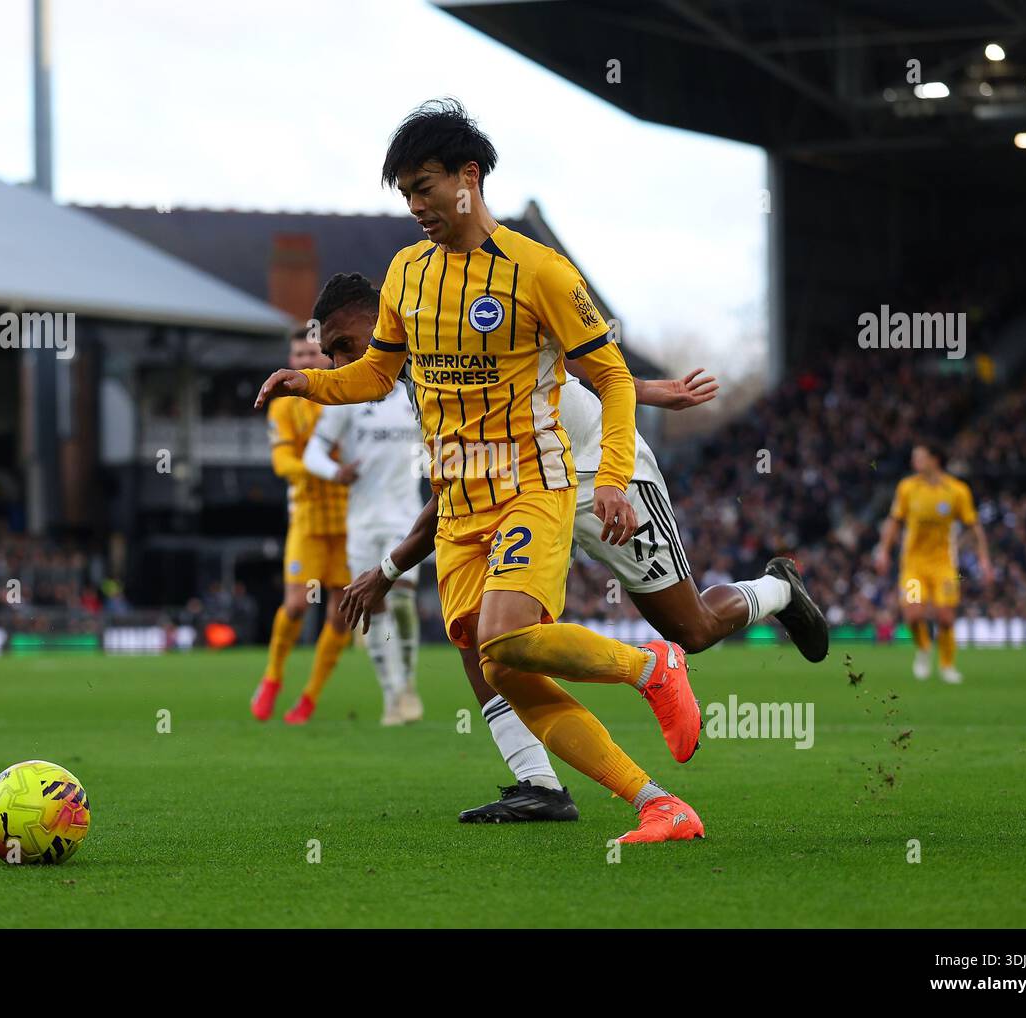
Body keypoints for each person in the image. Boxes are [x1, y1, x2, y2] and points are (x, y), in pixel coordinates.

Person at [258, 100, 818, 843]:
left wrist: (616, 474)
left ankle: (756, 601)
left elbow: (604, 376)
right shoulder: (408, 292)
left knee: (684, 627)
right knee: (491, 652)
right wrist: (309, 386)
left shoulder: (538, 272)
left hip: (572, 471)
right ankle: (589, 791)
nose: (416, 206)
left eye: (424, 187)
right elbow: (397, 394)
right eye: (405, 194)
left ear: (469, 176)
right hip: (477, 499)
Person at [313, 272, 828, 822]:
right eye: (329, 355)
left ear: (380, 317)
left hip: (599, 466)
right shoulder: (421, 385)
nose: (342, 363)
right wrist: (389, 570)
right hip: (526, 488)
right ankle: (538, 783)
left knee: (692, 628)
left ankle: (776, 589)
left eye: (345, 345)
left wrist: (640, 391)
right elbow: (456, 484)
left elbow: (559, 343)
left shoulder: (447, 321)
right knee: (474, 629)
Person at [301, 298, 426, 726]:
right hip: (360, 520)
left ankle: (407, 685)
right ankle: (391, 694)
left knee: (404, 602)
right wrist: (336, 471)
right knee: (367, 610)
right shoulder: (352, 393)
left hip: (405, 516)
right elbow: (312, 452)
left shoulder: (414, 390)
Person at [250, 327, 354, 724]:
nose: (304, 361)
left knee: (338, 614)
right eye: (298, 355)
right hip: (308, 521)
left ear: (326, 358)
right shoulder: (283, 406)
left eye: (311, 354)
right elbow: (283, 464)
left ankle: (309, 697)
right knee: (295, 605)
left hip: (349, 523)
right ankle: (273, 677)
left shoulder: (344, 398)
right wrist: (326, 471)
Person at [875, 443, 992, 683]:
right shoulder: (907, 487)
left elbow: (974, 526)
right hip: (914, 566)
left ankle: (947, 665)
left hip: (943, 566)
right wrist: (883, 552)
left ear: (935, 459)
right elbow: (894, 521)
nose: (914, 461)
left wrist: (983, 559)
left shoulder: (956, 490)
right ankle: (924, 649)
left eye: (919, 457)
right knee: (913, 614)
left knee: (946, 617)